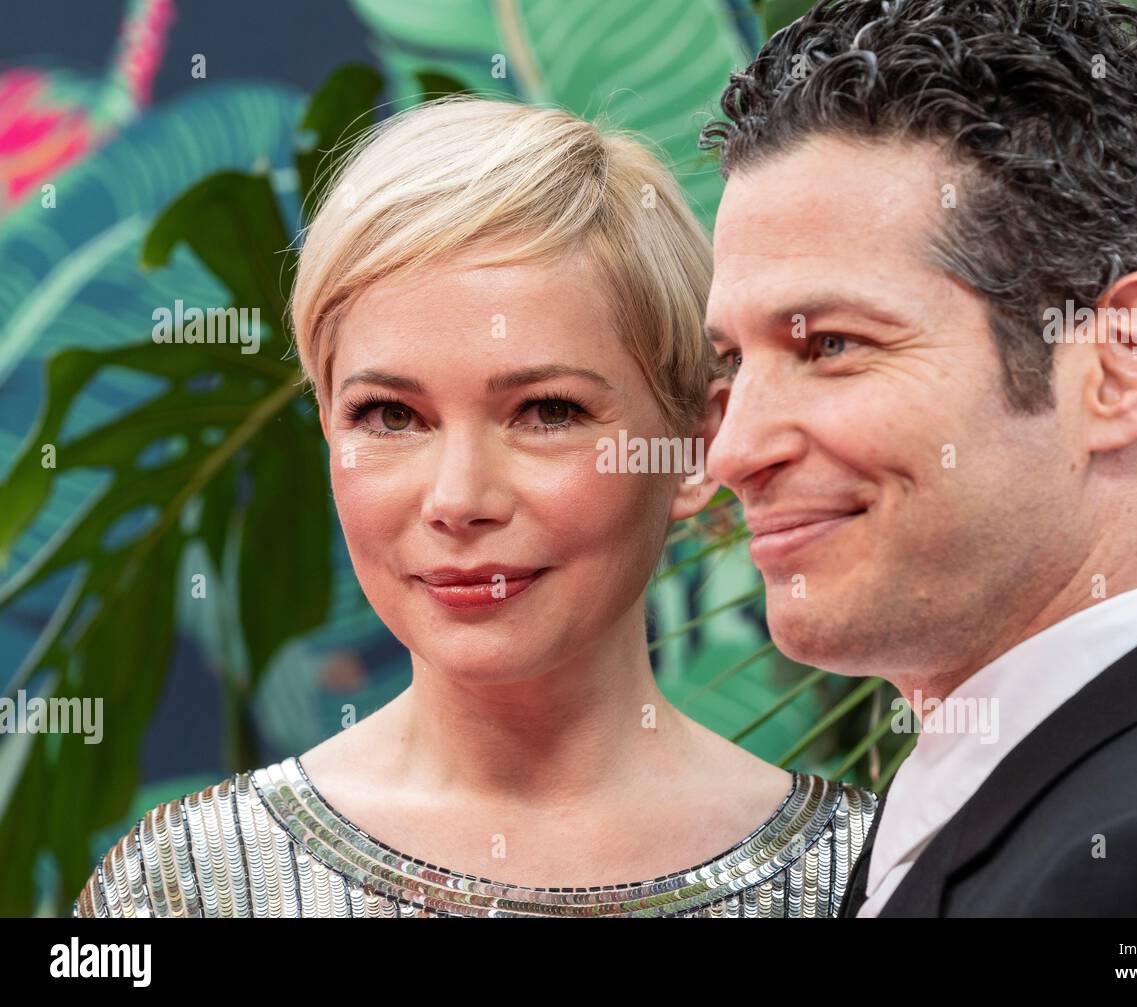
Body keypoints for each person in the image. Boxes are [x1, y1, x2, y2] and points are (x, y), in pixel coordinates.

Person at [73, 96, 875, 918]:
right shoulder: (187, 890)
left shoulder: (874, 879)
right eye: (390, 416)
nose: (458, 500)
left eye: (546, 412)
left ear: (696, 447)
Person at [699, 0, 1137, 916]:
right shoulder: (1001, 807)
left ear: (1120, 365)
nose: (737, 449)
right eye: (735, 363)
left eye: (831, 345)